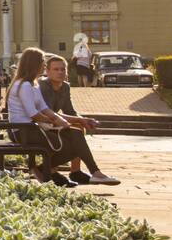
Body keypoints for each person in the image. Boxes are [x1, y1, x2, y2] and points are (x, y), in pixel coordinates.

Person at [4, 48, 120, 187]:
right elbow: (33, 114)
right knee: (72, 145)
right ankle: (50, 170)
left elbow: (44, 109)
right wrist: (54, 122)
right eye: (42, 62)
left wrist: (62, 121)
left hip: (33, 129)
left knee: (76, 134)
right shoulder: (23, 85)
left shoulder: (33, 84)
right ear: (34, 64)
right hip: (24, 131)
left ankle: (94, 172)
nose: (44, 65)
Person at [39, 55, 119, 185]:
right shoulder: (43, 86)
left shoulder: (65, 86)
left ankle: (75, 171)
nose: (60, 72)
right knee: (75, 133)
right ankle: (94, 172)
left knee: (79, 126)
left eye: (63, 69)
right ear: (47, 71)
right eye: (56, 69)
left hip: (53, 123)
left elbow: (70, 111)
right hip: (40, 124)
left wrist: (84, 120)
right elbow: (49, 113)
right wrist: (81, 120)